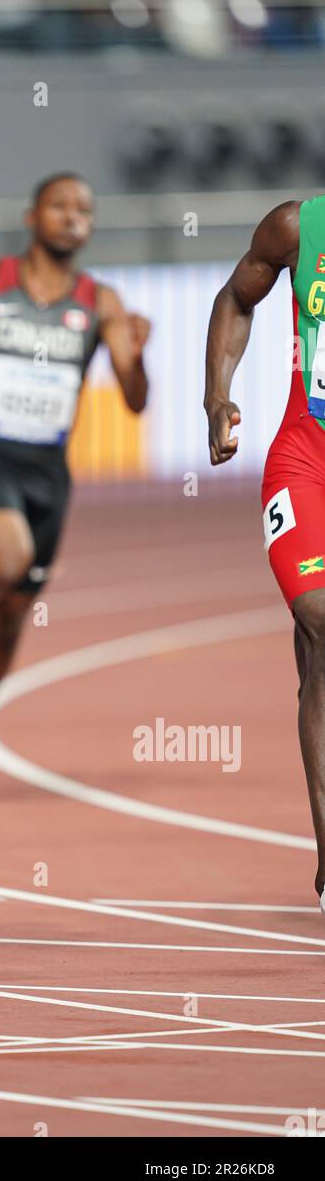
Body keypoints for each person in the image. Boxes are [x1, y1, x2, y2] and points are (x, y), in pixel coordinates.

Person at [0, 173, 150, 803]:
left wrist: (138, 355)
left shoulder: (99, 302)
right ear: (33, 215)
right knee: (9, 556)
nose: (74, 216)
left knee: (12, 631)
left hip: (50, 477)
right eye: (61, 205)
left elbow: (135, 401)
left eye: (84, 208)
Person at [205, 195, 325, 909]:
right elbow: (236, 296)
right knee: (320, 618)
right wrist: (217, 397)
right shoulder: (297, 227)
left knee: (317, 665)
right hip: (305, 463)